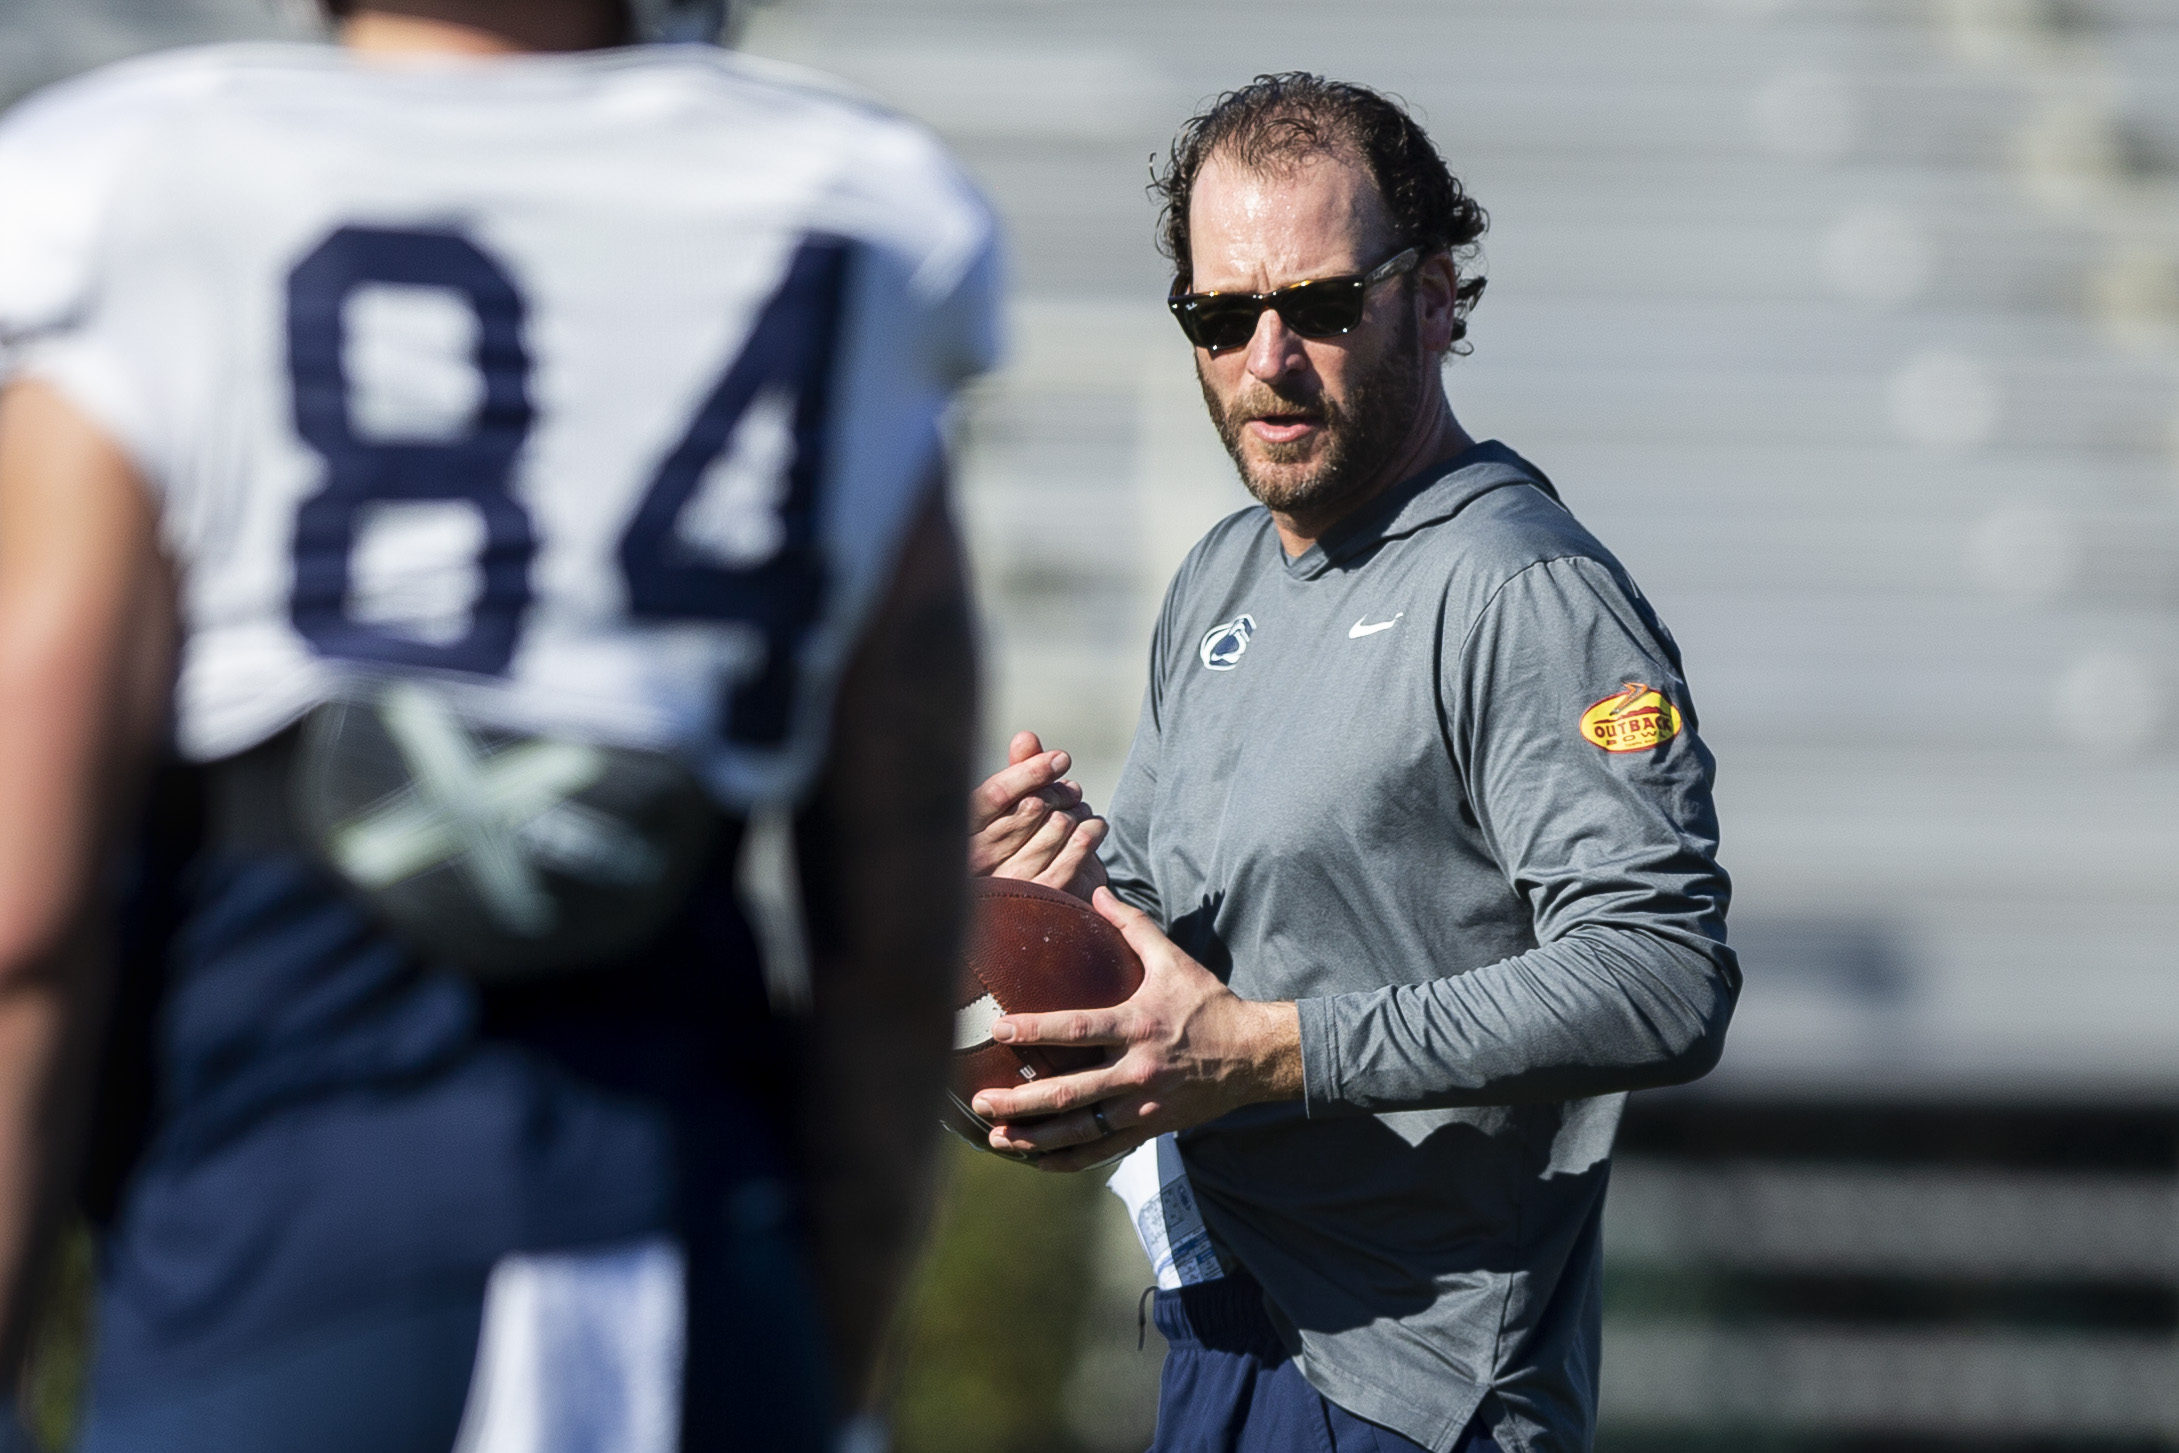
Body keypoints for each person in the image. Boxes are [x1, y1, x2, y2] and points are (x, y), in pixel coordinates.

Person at [0, 2, 993, 1449]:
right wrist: (824, 1380)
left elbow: (26, 913)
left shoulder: (141, 183)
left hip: (282, 1252)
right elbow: (898, 946)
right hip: (693, 1244)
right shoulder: (851, 210)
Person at [969, 74, 1736, 1453]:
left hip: (1411, 1387)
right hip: (1225, 1330)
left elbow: (1663, 970)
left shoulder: (1525, 590)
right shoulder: (1221, 574)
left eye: (1319, 306)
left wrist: (1272, 1051)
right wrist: (1016, 926)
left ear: (1436, 296)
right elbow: (1165, 977)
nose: (1269, 356)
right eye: (1220, 315)